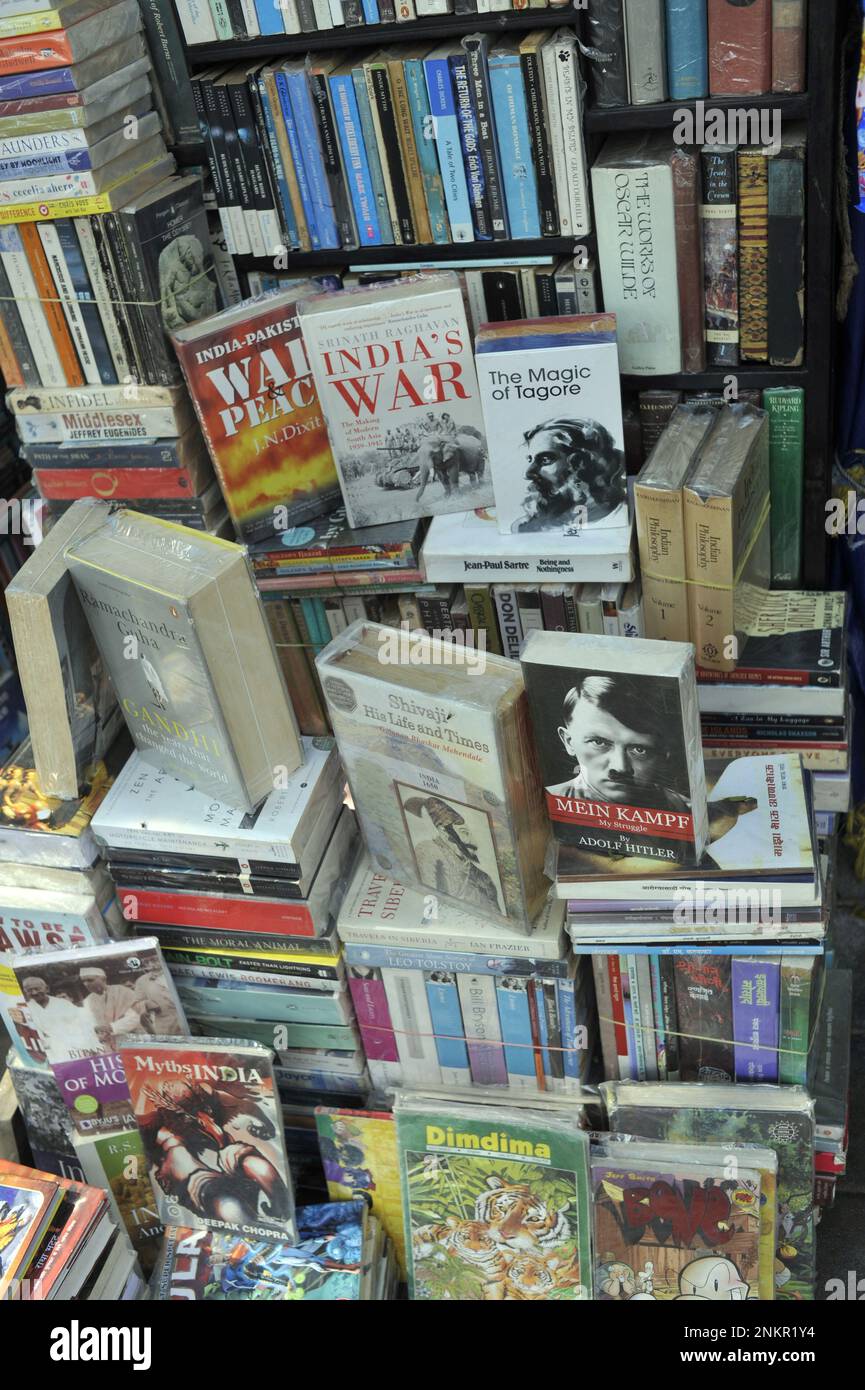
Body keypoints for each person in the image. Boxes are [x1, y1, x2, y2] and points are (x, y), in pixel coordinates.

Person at [547, 675, 690, 813]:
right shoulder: (546, 805)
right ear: (569, 741)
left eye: (639, 750)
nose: (620, 768)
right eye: (599, 742)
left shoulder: (686, 810)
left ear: (663, 754)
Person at [513, 418, 627, 533]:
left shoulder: (615, 519)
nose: (528, 473)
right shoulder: (525, 527)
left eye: (545, 459)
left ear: (579, 463)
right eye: (529, 460)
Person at [402, 795, 501, 912]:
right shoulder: (429, 851)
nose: (473, 842)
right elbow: (435, 901)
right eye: (464, 832)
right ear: (444, 833)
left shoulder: (483, 879)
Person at [21, 976, 101, 1061]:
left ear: (47, 989)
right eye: (29, 990)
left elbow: (85, 1025)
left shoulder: (63, 1004)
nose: (34, 992)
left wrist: (93, 1046)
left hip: (75, 1048)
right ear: (25, 992)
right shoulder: (25, 1010)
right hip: (51, 1054)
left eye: (37, 989)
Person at [80, 965, 142, 1047]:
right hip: (108, 1044)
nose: (86, 984)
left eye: (90, 980)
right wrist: (97, 1034)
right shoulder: (87, 1001)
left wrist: (111, 1028)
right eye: (83, 981)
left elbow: (134, 1018)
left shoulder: (122, 991)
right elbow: (89, 1023)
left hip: (133, 1039)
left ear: (103, 979)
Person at [131, 956, 183, 1035]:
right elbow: (135, 1004)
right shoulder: (142, 981)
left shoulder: (179, 971)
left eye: (154, 960)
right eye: (146, 962)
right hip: (165, 1025)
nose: (151, 964)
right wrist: (146, 1004)